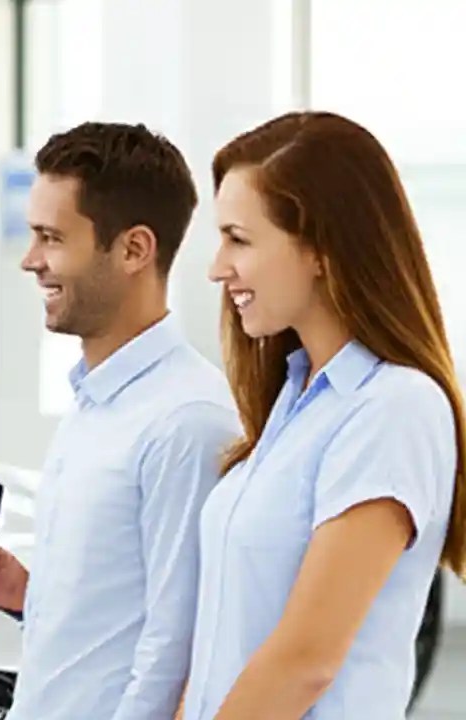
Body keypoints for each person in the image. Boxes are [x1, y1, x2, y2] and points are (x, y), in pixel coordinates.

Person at [180, 111, 466, 719]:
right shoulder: (293, 401)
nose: (216, 266)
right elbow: (221, 648)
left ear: (319, 249)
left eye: (240, 238)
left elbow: (307, 660)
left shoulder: (395, 409)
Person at [0, 122, 240, 719]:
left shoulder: (188, 421)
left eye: (51, 238)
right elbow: (121, 612)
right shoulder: (99, 401)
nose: (31, 261)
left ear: (133, 250)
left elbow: (174, 651)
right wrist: (27, 594)